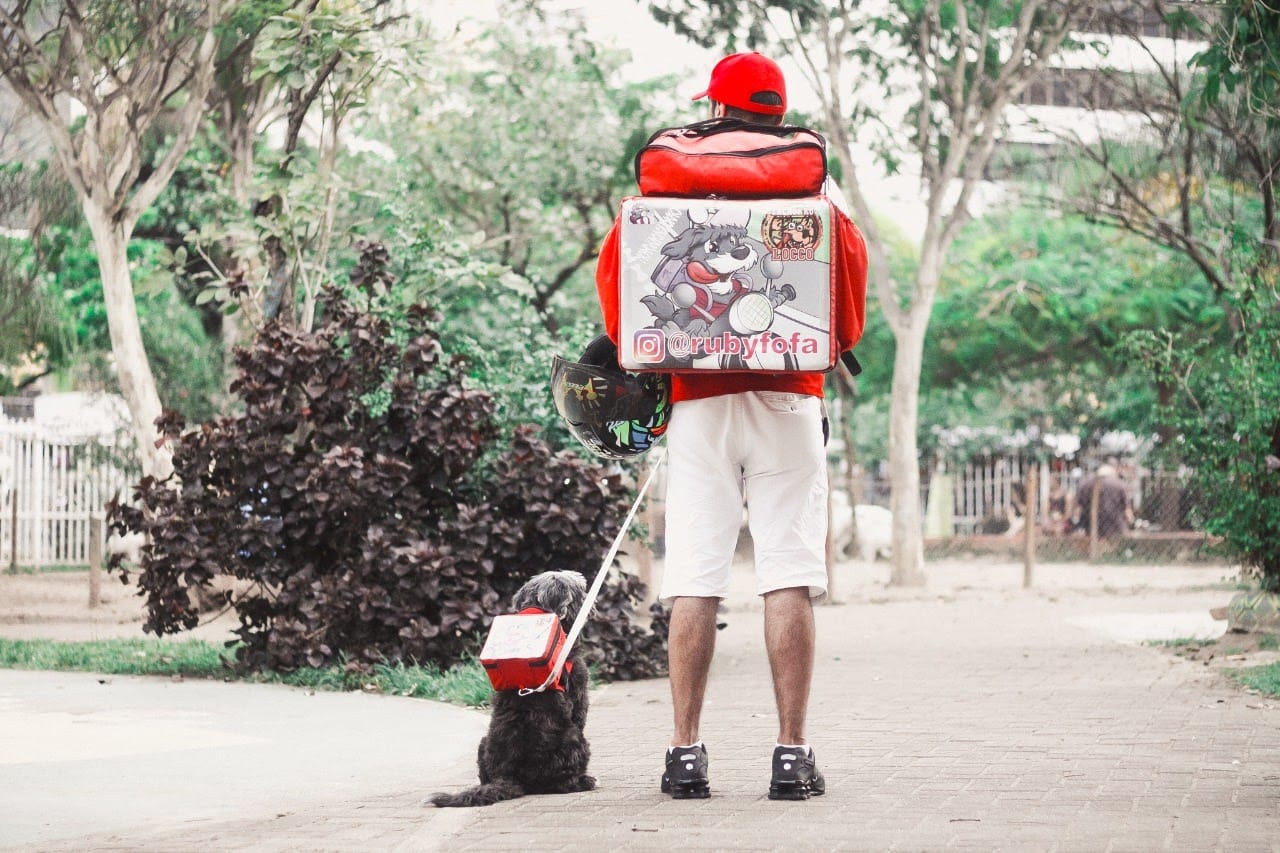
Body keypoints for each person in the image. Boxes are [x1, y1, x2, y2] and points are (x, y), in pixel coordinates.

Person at [593, 52, 869, 801]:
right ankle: (791, 754)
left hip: (698, 402)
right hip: (788, 398)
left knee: (694, 574)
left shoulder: (672, 182)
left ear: (717, 110)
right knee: (788, 572)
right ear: (779, 114)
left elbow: (620, 292)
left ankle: (685, 755)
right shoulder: (818, 192)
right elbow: (846, 319)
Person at [1073, 463, 1134, 538]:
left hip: (1091, 527)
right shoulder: (1119, 484)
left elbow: (1078, 508)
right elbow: (1127, 510)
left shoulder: (1085, 484)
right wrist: (1131, 523)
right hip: (1115, 528)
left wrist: (1077, 524)